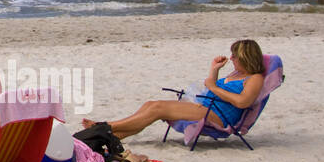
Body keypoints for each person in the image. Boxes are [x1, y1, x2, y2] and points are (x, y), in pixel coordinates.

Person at [82, 39, 266, 139]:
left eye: (235, 56)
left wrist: (212, 87)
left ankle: (103, 127)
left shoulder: (254, 78)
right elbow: (213, 86)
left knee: (157, 109)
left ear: (245, 57)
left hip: (218, 116)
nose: (231, 58)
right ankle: (112, 138)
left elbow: (243, 102)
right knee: (151, 105)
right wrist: (214, 70)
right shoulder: (235, 74)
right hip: (206, 107)